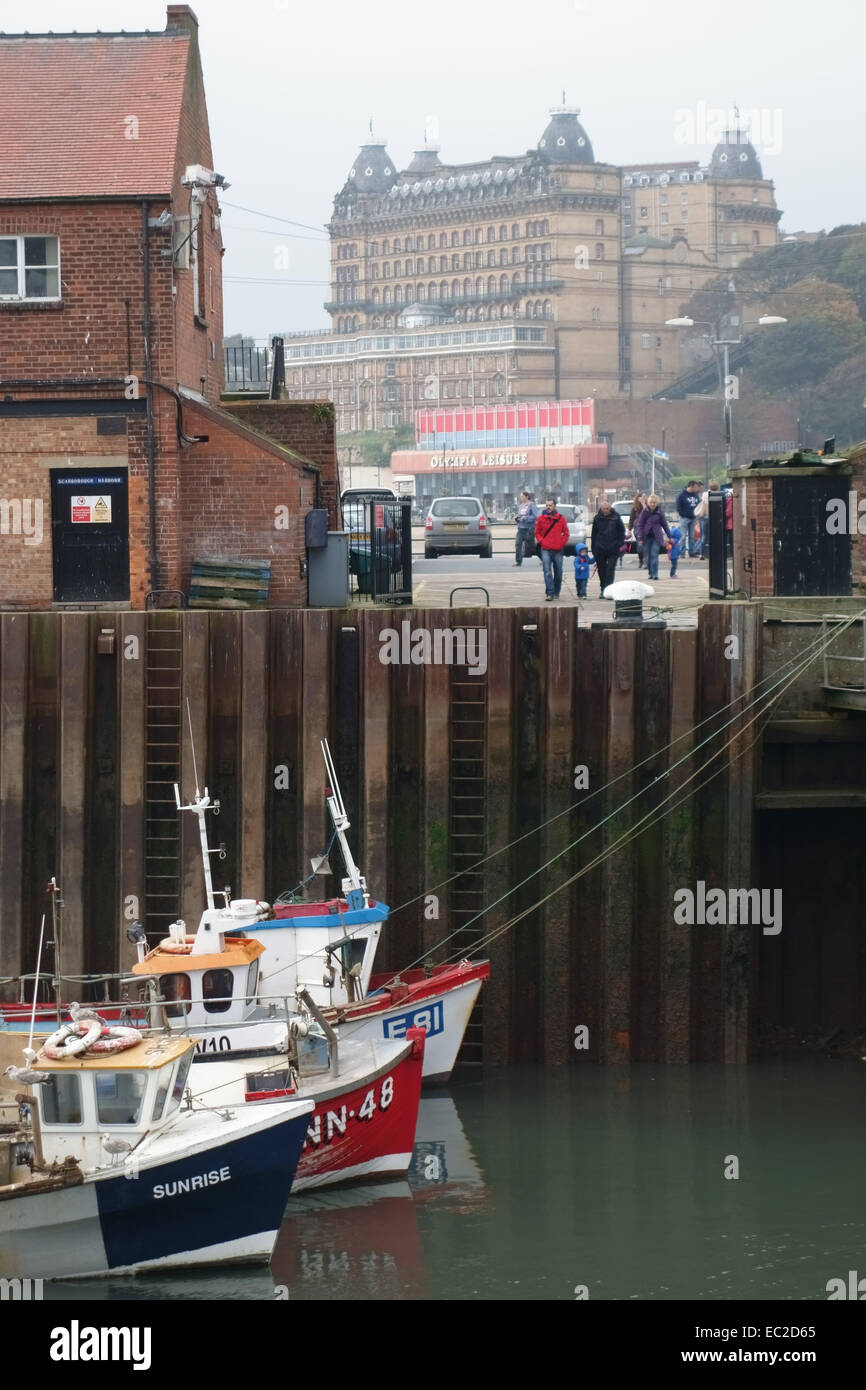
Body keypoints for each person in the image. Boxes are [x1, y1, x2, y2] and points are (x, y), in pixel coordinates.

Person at [534, 497, 570, 600]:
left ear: (554, 506)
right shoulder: (541, 518)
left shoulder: (561, 518)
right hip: (545, 548)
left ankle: (556, 591)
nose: (548, 507)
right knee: (547, 571)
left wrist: (561, 542)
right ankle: (550, 592)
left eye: (550, 505)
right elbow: (537, 533)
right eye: (547, 505)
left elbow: (566, 533)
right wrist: (542, 541)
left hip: (558, 549)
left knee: (558, 572)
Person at [590, 498, 626, 598]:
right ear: (601, 509)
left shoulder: (616, 517)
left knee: (610, 569)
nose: (605, 511)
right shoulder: (597, 518)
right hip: (600, 548)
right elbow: (594, 534)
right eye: (603, 509)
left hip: (613, 548)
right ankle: (603, 588)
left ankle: (608, 590)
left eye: (607, 508)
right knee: (601, 569)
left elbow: (621, 532)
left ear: (610, 508)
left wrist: (619, 544)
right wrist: (593, 548)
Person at [635, 493, 671, 580]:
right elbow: (640, 525)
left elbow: (664, 525)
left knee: (654, 555)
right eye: (651, 502)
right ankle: (650, 572)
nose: (652, 504)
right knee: (647, 556)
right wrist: (639, 537)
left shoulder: (660, 512)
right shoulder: (644, 512)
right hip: (646, 537)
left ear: (657, 503)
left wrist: (669, 536)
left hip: (656, 537)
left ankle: (655, 574)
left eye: (654, 503)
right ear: (648, 503)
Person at [675, 480, 703, 558]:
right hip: (684, 518)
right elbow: (678, 506)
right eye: (695, 487)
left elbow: (699, 504)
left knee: (692, 536)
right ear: (691, 486)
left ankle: (692, 552)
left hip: (693, 518)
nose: (697, 489)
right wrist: (682, 515)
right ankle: (682, 553)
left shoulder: (696, 495)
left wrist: (697, 515)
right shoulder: (681, 495)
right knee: (683, 536)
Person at [513, 490, 538, 566]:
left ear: (527, 496)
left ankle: (544, 558)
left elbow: (535, 516)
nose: (521, 498)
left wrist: (525, 518)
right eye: (520, 496)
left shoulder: (531, 505)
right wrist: (517, 518)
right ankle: (518, 561)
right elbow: (520, 515)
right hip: (521, 528)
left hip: (529, 529)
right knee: (518, 544)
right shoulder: (520, 506)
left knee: (531, 546)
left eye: (522, 496)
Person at [629, 491, 647, 568]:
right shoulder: (635, 508)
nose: (644, 498)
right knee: (640, 545)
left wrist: (643, 504)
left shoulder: (647, 506)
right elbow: (631, 518)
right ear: (638, 498)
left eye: (645, 497)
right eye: (643, 497)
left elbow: (648, 512)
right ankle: (641, 560)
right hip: (638, 529)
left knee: (646, 545)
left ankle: (646, 562)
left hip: (647, 529)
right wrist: (629, 529)